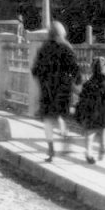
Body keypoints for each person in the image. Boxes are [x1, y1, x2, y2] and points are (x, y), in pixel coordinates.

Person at [30, 21, 80, 162]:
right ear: (62, 33)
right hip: (63, 89)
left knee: (47, 119)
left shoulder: (43, 48)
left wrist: (43, 79)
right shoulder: (66, 47)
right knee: (61, 116)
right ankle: (65, 138)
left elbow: (35, 70)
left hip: (47, 89)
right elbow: (75, 69)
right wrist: (74, 82)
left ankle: (50, 148)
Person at [73, 56, 105, 164]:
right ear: (104, 68)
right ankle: (102, 150)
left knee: (90, 133)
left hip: (91, 111)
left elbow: (82, 97)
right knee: (103, 133)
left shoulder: (88, 83)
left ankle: (89, 153)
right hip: (103, 111)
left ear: (92, 68)